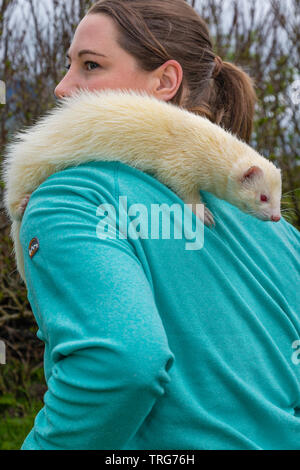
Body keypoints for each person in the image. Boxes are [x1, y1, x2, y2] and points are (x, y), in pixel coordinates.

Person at [11, 0, 300, 450]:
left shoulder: (72, 198)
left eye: (90, 65)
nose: (62, 88)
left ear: (165, 82)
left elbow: (122, 365)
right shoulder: (279, 233)